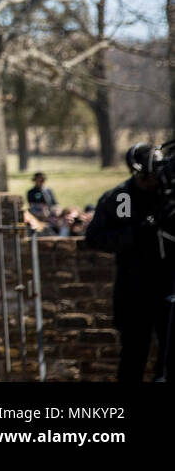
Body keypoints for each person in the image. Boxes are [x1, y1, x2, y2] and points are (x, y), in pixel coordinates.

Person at [84, 142, 175, 382]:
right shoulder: (119, 197)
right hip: (134, 289)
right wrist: (135, 234)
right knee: (134, 355)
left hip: (168, 285)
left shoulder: (168, 195)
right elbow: (94, 237)